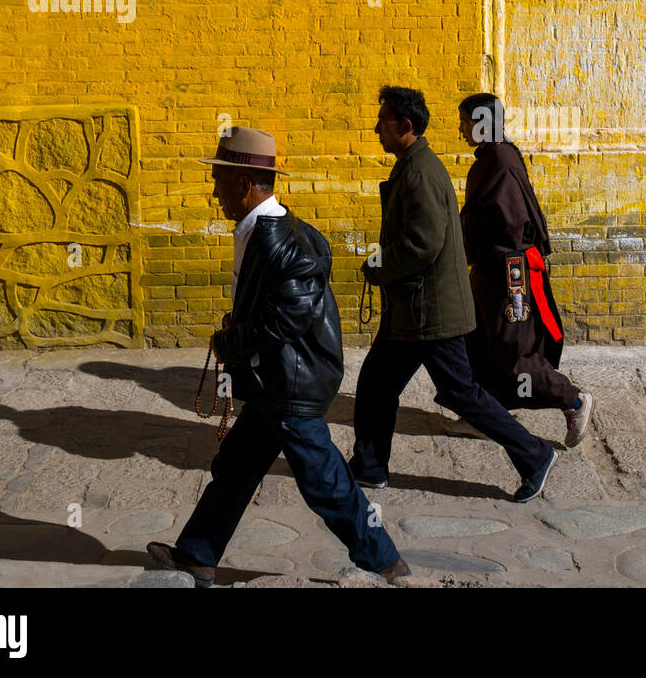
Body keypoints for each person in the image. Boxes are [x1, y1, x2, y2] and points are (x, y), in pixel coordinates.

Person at [147, 127, 409, 586]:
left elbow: (286, 321)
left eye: (221, 182)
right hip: (273, 382)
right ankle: (197, 554)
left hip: (291, 386)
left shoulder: (279, 242)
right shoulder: (267, 228)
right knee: (235, 468)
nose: (215, 193)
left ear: (245, 185)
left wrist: (229, 343)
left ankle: (387, 562)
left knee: (324, 480)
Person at [350, 86, 558, 502]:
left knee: (465, 395)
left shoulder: (421, 172)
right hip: (413, 310)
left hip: (431, 312)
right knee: (375, 384)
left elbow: (423, 243)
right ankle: (369, 467)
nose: (377, 129)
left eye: (383, 122)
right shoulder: (413, 165)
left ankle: (535, 454)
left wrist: (379, 265)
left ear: (405, 126)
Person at [447, 93, 593, 447]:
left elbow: (512, 225)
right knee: (479, 342)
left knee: (513, 350)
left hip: (509, 272)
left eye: (467, 121)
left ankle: (573, 399)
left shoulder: (499, 159)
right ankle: (486, 415)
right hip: (490, 269)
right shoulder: (494, 156)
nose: (462, 129)